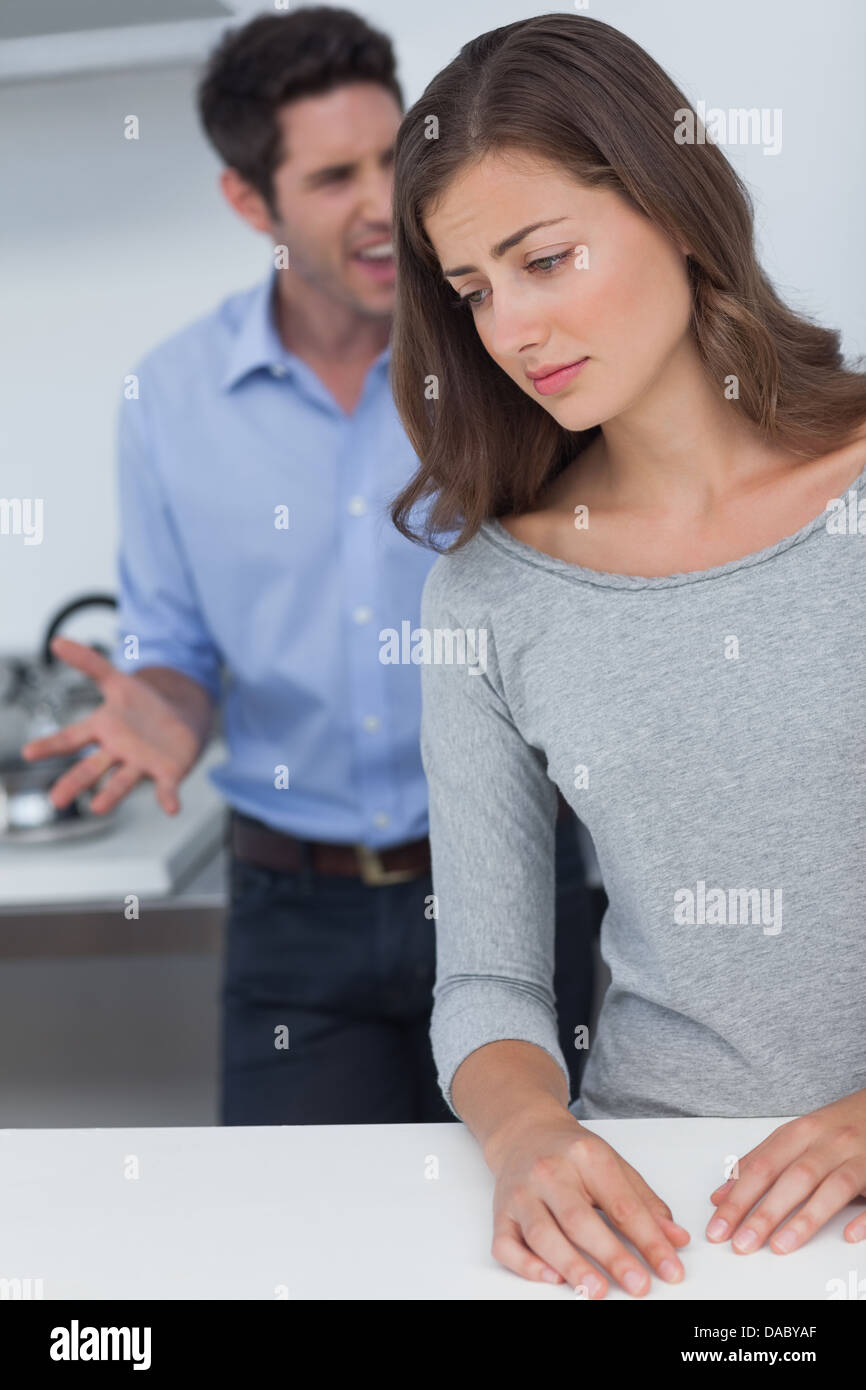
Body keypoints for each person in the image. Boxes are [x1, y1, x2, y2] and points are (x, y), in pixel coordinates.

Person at [20, 8, 601, 1125]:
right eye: (334, 176)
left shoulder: (508, 354)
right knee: (280, 1252)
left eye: (393, 157)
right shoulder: (170, 400)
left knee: (530, 1246)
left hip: (508, 884)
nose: (382, 203)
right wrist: (168, 715)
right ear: (252, 202)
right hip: (293, 912)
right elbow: (177, 652)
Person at [387, 12, 866, 1296]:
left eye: (544, 259)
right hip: (662, 1223)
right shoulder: (484, 595)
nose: (512, 329)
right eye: (473, 291)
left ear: (680, 211)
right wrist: (528, 1129)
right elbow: (484, 978)